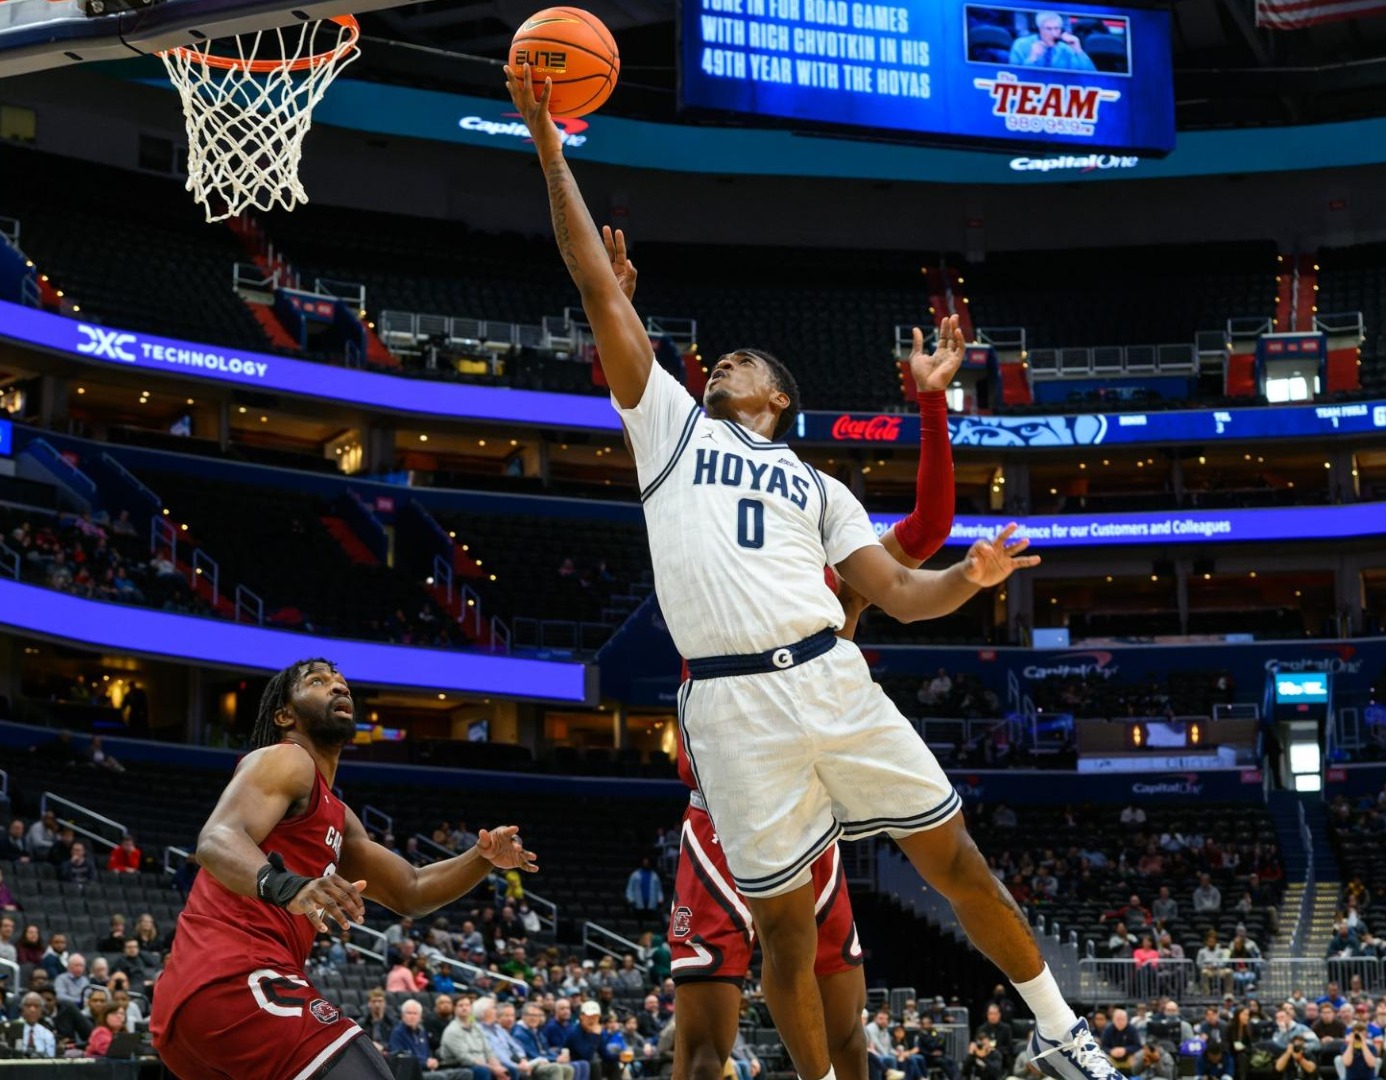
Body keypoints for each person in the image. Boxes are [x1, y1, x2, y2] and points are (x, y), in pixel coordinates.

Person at [508, 67, 1089, 1080]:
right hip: (729, 716)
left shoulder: (820, 489)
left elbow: (906, 577)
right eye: (719, 359)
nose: (722, 363)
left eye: (743, 361)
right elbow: (592, 282)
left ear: (779, 397)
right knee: (759, 971)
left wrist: (969, 576)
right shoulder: (672, 428)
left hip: (826, 677)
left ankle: (1060, 1030)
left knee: (946, 863)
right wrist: (551, 149)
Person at [603, 170, 961, 1080]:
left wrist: (931, 404)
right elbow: (639, 391)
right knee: (699, 1052)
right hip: (719, 803)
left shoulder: (828, 540)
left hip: (809, 803)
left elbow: (925, 533)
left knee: (844, 1042)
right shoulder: (695, 489)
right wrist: (621, 310)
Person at [150, 658, 536, 1080]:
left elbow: (412, 890)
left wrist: (481, 859)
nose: (338, 687)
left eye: (341, 682)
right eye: (317, 681)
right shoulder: (287, 759)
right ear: (284, 715)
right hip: (230, 978)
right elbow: (216, 839)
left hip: (196, 1014)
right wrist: (290, 887)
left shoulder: (336, 814)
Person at [1006, 12, 1096, 70]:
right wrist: (1032, 59)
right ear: (1040, 29)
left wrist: (1079, 51)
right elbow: (1014, 77)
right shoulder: (1020, 45)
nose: (1053, 33)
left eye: (1056, 28)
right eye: (1048, 29)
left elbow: (1091, 74)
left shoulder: (1066, 49)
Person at [14, 992, 58, 1058]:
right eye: (28, 1006)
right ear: (22, 1008)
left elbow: (50, 1059)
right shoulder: (12, 1028)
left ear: (41, 1010)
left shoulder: (47, 1034)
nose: (32, 1010)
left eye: (36, 1006)